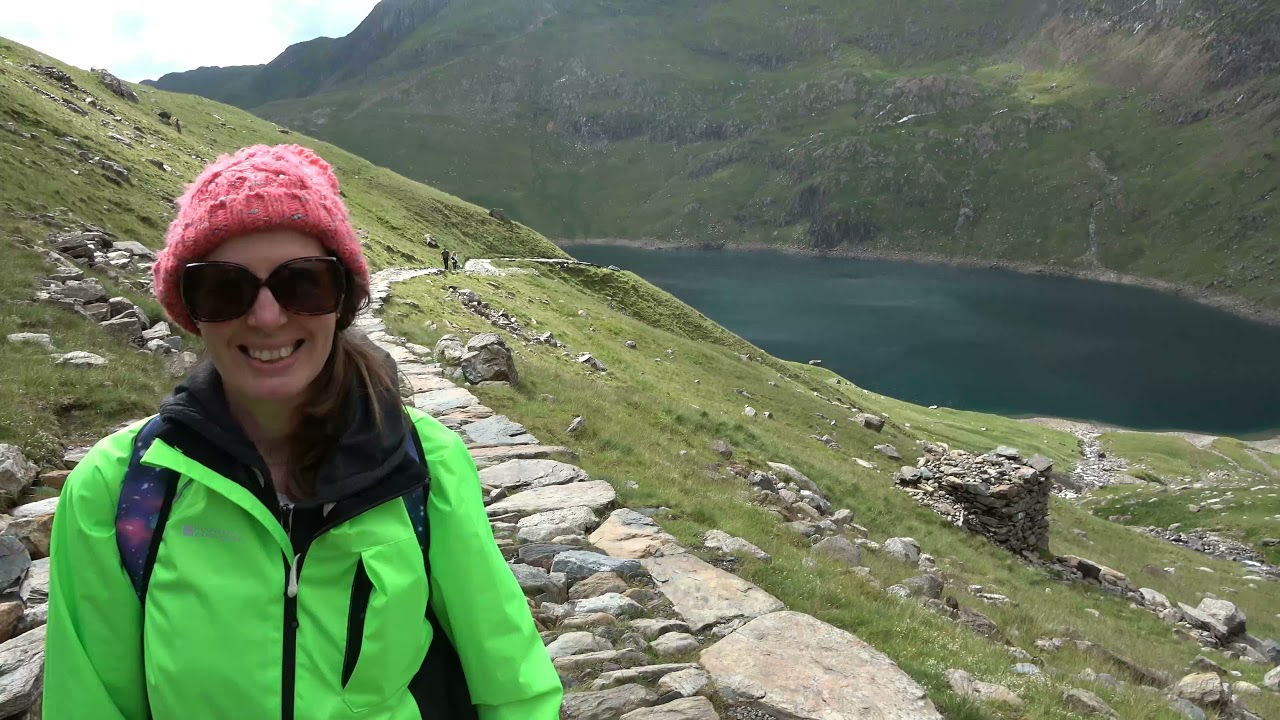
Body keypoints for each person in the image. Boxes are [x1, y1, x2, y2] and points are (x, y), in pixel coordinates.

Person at [43, 144, 562, 719]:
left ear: (342, 299)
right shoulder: (121, 489)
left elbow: (513, 685)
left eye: (303, 283)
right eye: (223, 288)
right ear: (190, 310)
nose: (267, 316)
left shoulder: (426, 465)